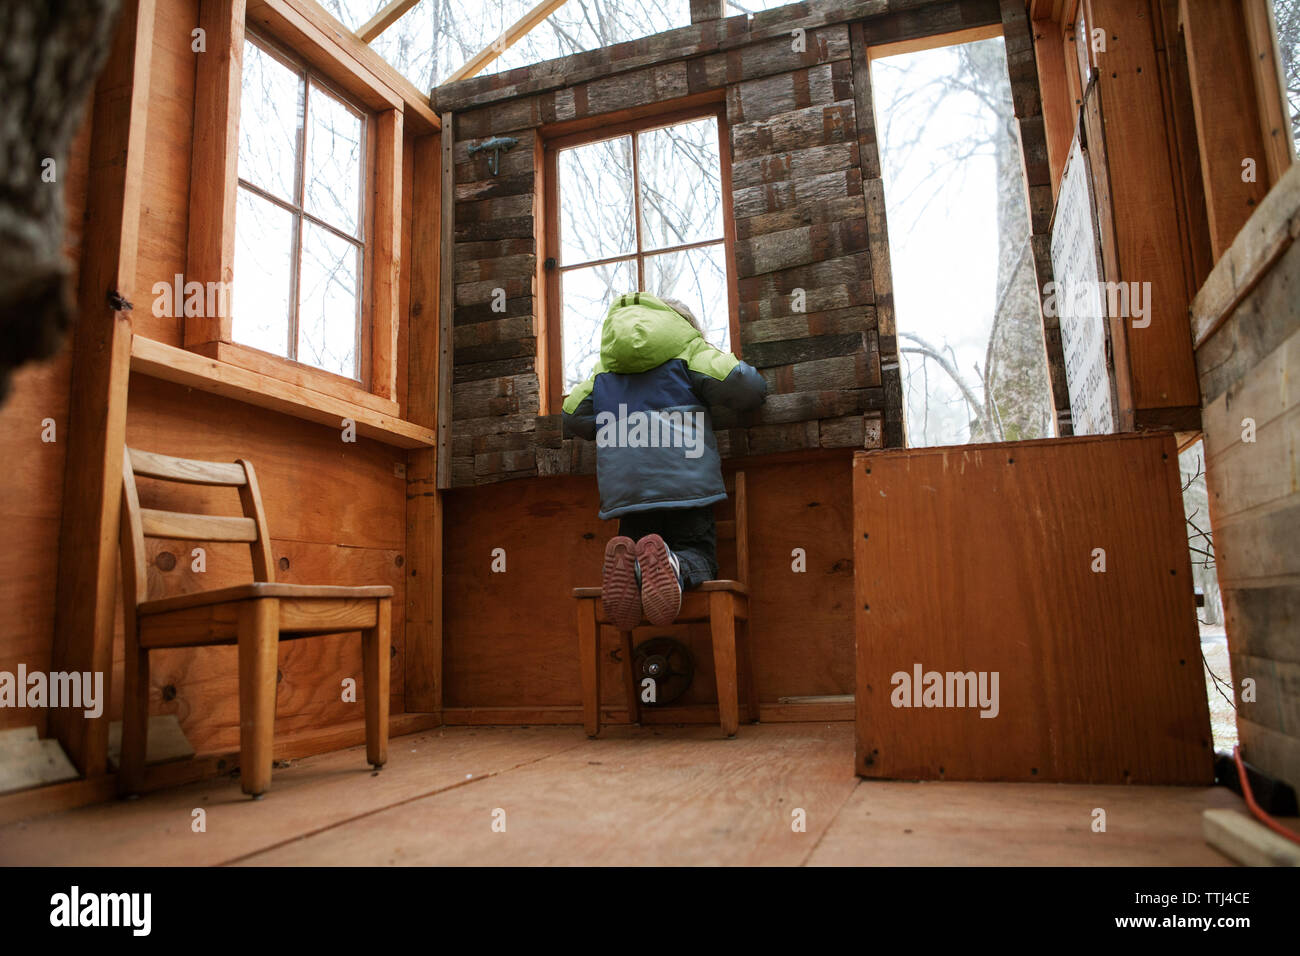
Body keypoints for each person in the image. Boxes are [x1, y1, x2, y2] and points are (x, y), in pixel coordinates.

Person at [562, 291, 767, 629]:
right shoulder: (688, 349)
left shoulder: (607, 368)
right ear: (683, 325)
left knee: (635, 548)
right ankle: (675, 564)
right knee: (698, 555)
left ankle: (632, 568)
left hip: (628, 497)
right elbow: (747, 388)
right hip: (685, 488)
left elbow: (571, 416)